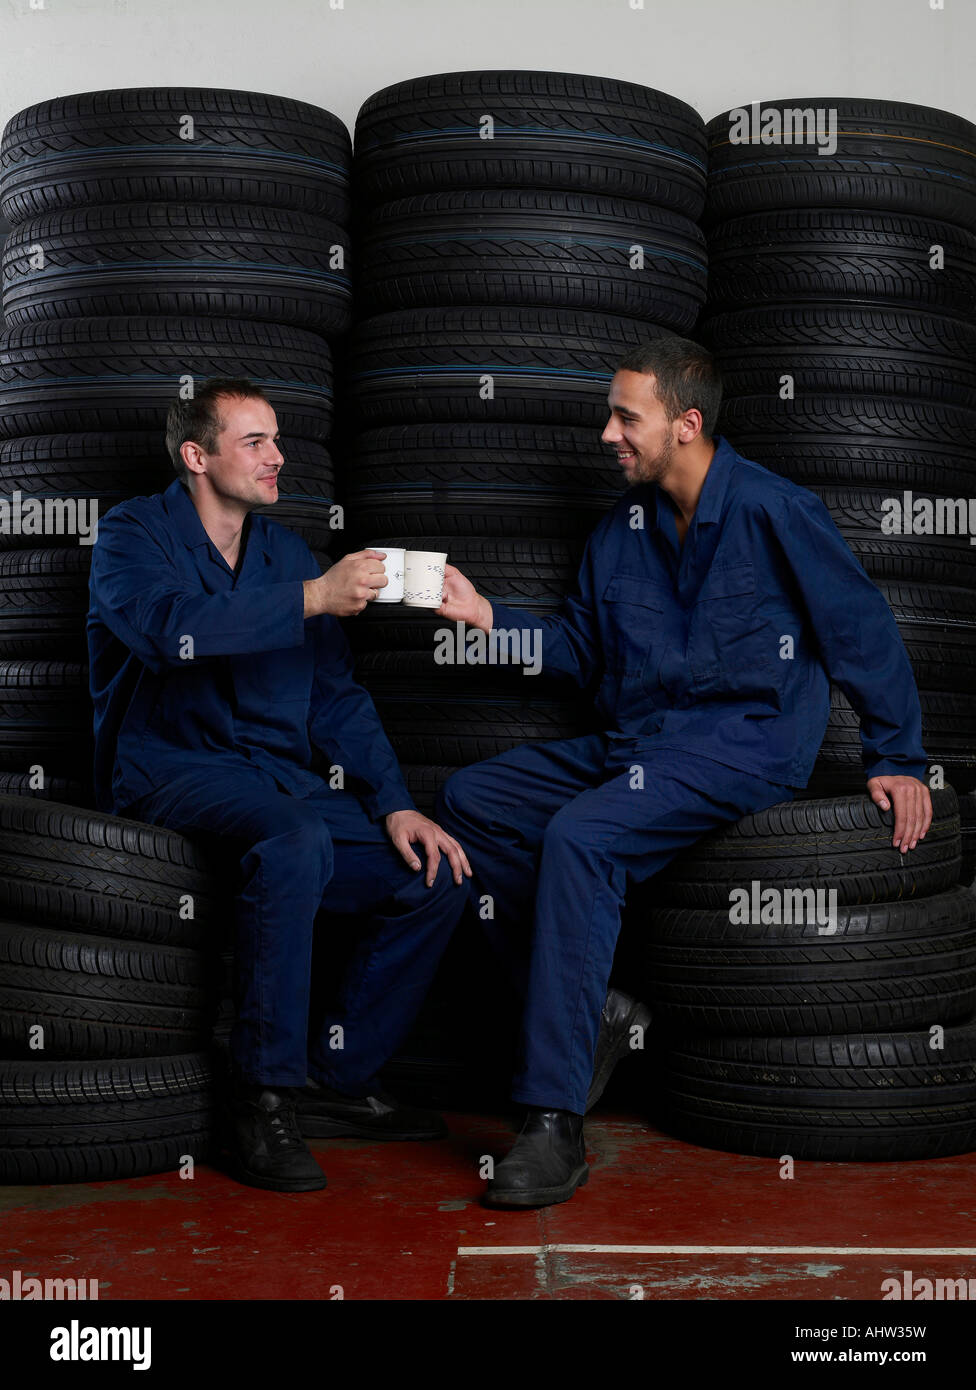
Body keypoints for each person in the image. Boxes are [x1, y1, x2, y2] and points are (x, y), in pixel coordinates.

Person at [434, 335, 933, 1210]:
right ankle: (589, 1015)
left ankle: (553, 1123)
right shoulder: (617, 534)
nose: (607, 434)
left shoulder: (776, 511)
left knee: (581, 839)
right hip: (637, 743)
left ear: (687, 425)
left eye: (627, 416)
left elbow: (862, 631)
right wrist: (487, 618)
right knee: (472, 799)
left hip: (742, 745)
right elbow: (581, 655)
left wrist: (898, 757)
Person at [87, 378, 471, 1194]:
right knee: (296, 840)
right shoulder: (131, 534)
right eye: (255, 441)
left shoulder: (287, 554)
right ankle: (260, 1096)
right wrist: (313, 597)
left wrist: (396, 802)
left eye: (278, 439)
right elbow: (167, 631)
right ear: (197, 456)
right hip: (171, 769)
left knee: (434, 873)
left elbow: (335, 699)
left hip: (275, 778)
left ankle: (338, 1074)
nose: (278, 457)